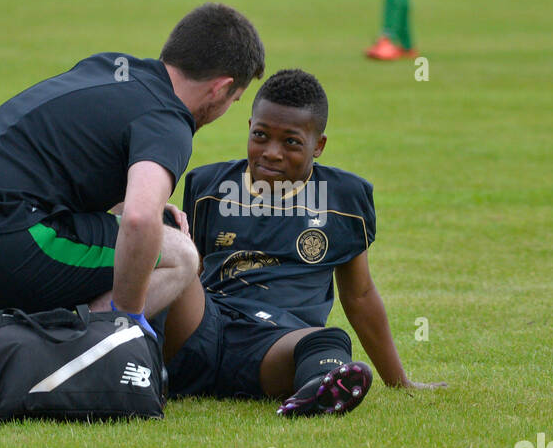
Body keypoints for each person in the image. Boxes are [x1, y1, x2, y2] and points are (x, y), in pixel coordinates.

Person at [0, 4, 264, 340]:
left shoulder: (108, 68)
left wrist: (146, 213)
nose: (227, 108)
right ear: (221, 88)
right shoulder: (168, 120)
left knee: (144, 238)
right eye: (234, 101)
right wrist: (129, 319)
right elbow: (138, 219)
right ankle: (89, 351)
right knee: (180, 255)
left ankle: (8, 349)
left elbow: (78, 179)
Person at [161, 68, 446, 416]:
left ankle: (316, 392)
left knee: (328, 342)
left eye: (291, 142)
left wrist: (398, 380)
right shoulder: (209, 185)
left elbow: (359, 295)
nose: (272, 152)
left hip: (276, 343)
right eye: (261, 135)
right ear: (249, 126)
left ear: (319, 145)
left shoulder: (344, 199)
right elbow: (191, 271)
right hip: (205, 326)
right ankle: (129, 361)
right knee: (163, 231)